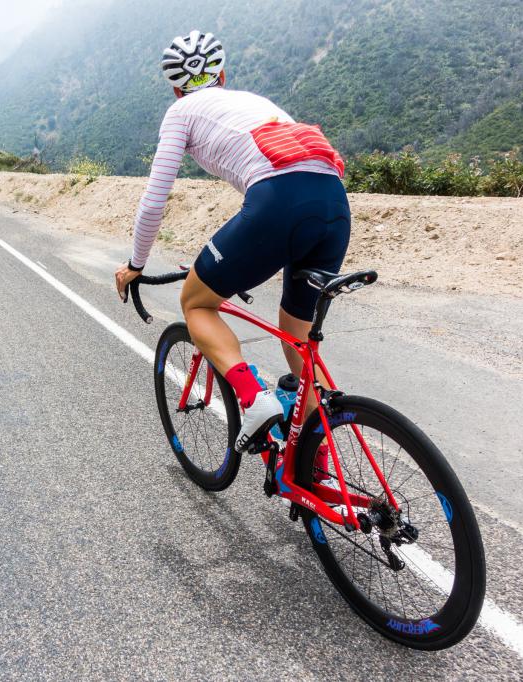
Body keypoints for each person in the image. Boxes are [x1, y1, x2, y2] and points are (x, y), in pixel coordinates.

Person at [115, 30, 351, 453]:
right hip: (333, 203)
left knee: (196, 303)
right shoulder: (257, 103)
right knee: (296, 336)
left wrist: (136, 262)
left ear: (175, 88)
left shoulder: (182, 112)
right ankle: (314, 463)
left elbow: (154, 201)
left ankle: (253, 399)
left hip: (278, 204)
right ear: (222, 73)